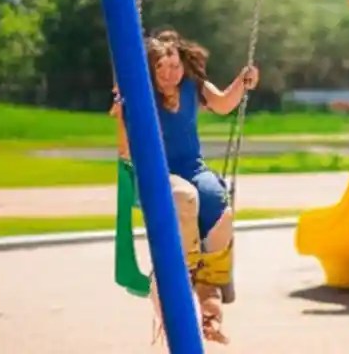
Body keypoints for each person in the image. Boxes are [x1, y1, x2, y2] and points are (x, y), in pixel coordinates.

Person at [111, 29, 259, 344]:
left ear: (183, 64)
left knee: (219, 205)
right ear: (149, 69)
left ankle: (211, 296)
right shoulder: (141, 94)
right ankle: (181, 277)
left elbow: (222, 104)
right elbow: (124, 150)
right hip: (156, 173)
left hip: (193, 167)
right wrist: (121, 117)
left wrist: (241, 82)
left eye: (174, 66)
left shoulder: (192, 87)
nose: (168, 73)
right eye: (160, 68)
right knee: (185, 197)